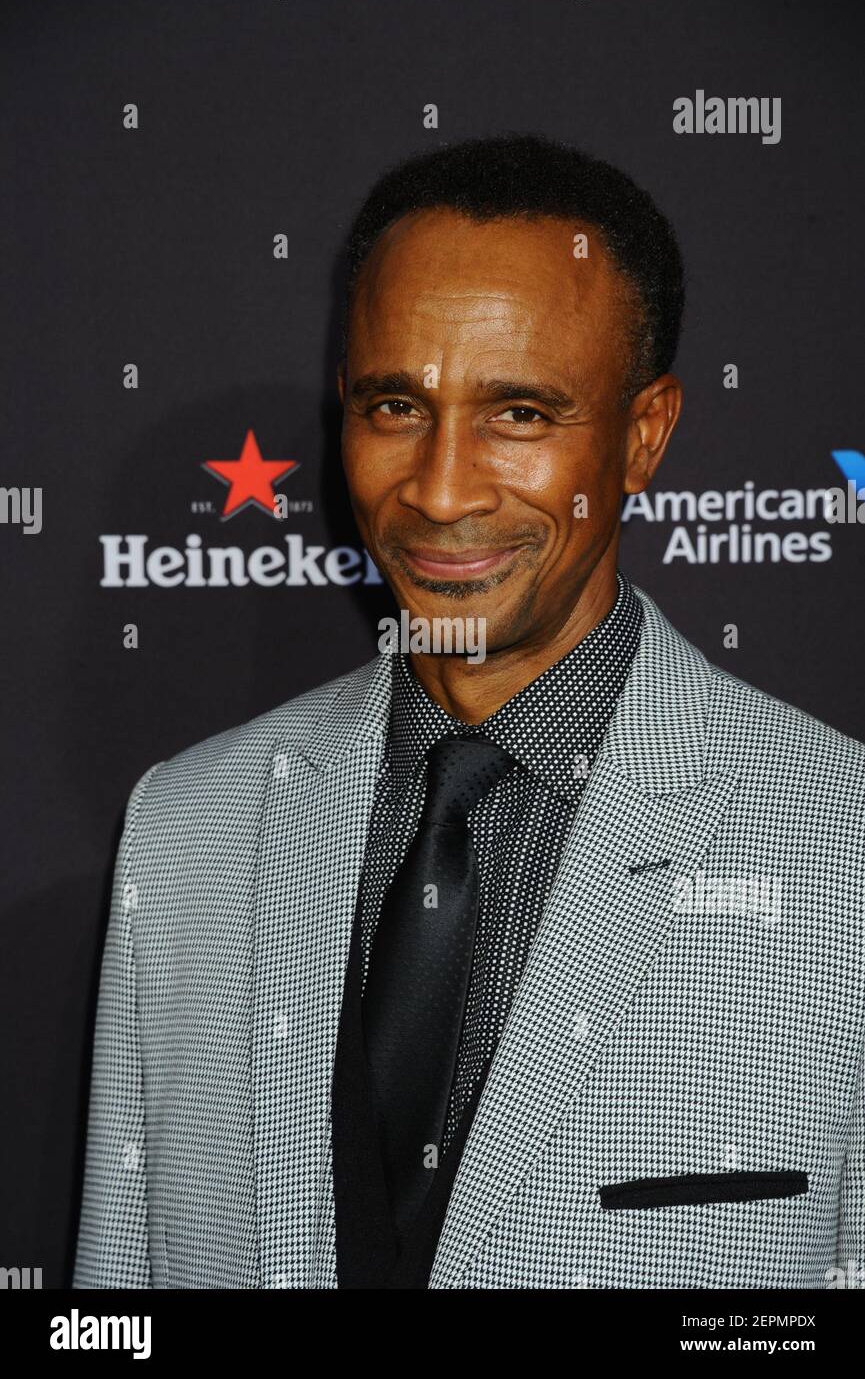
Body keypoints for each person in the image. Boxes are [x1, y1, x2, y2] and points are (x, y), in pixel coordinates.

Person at [74, 134, 865, 1290]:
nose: (441, 490)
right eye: (395, 403)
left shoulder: (843, 843)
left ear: (643, 435)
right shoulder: (186, 825)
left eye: (521, 415)